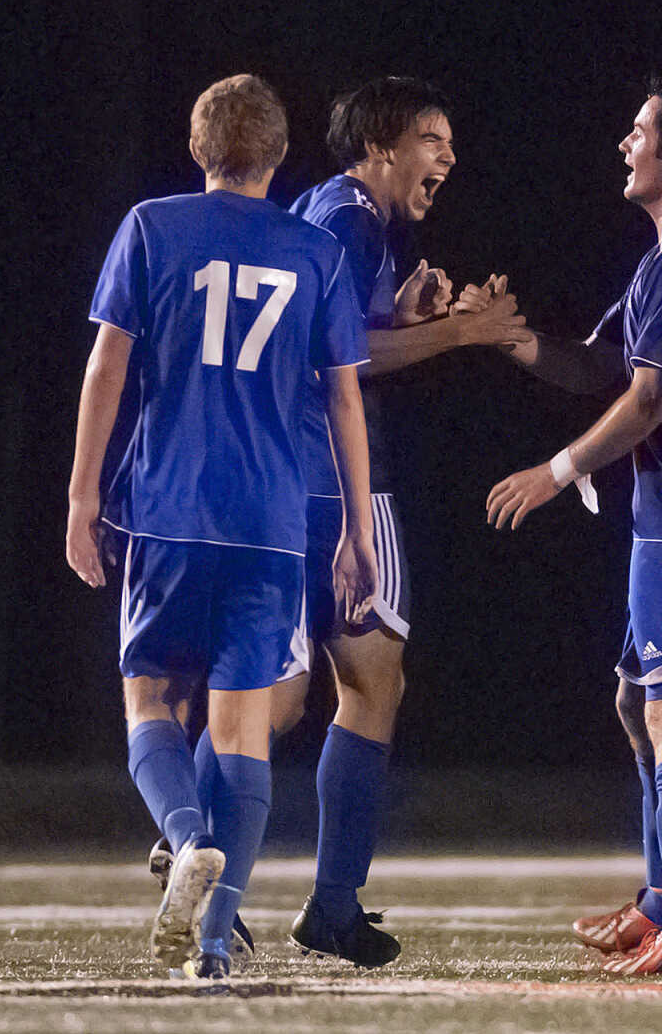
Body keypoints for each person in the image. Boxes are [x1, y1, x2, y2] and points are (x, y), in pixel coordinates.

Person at [65, 74, 377, 980]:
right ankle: (211, 949)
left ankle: (186, 835)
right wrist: (357, 527)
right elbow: (345, 399)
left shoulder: (152, 226)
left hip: (168, 511)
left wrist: (83, 495)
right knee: (243, 733)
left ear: (199, 147)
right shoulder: (316, 251)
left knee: (149, 706)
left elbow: (105, 370)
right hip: (274, 523)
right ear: (280, 157)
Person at [486, 77, 662, 977]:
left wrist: (556, 470)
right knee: (635, 699)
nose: (626, 142)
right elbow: (603, 366)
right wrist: (503, 337)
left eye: (641, 130)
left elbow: (649, 400)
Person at [267, 76, 532, 966]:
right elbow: (329, 356)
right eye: (431, 138)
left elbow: (348, 335)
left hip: (290, 473)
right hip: (337, 480)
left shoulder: (351, 221)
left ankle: (211, 839)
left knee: (296, 693)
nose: (448, 157)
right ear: (380, 144)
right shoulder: (345, 218)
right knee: (361, 687)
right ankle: (319, 895)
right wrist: (458, 334)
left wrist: (407, 314)